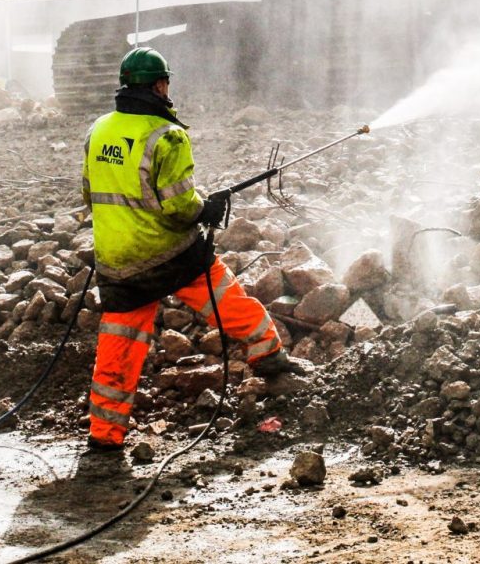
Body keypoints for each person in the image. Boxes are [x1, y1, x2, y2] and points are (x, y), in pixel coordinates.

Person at [81, 46, 309, 453]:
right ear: (160, 86)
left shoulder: (99, 130)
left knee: (119, 342)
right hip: (168, 252)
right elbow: (179, 207)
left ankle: (104, 432)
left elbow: (89, 193)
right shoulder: (166, 136)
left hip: (117, 261)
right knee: (222, 294)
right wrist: (206, 209)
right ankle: (269, 354)